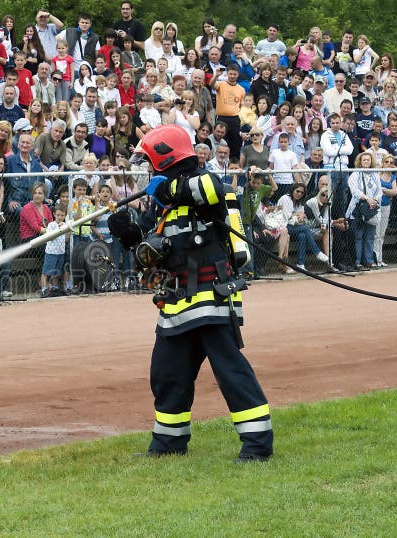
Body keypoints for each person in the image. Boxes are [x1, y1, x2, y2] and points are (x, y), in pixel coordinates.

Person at [118, 124, 273, 461]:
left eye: (150, 162)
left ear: (165, 159)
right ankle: (168, 443)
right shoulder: (166, 207)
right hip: (175, 304)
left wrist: (167, 188)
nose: (147, 170)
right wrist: (130, 237)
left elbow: (212, 188)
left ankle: (257, 444)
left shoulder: (203, 186)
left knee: (230, 372)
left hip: (211, 298)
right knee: (166, 373)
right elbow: (152, 257)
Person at [346, 152, 382, 269]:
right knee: (358, 237)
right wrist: (367, 199)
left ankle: (369, 261)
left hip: (371, 210)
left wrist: (375, 200)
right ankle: (357, 261)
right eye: (364, 160)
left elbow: (379, 190)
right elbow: (354, 191)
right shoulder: (355, 175)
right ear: (360, 162)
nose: (366, 161)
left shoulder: (375, 174)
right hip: (358, 210)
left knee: (370, 236)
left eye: (368, 160)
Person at [374, 155, 397, 267]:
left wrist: (384, 190)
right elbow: (375, 189)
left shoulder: (393, 177)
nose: (388, 163)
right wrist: (387, 191)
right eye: (386, 161)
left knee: (382, 233)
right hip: (376, 206)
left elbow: (394, 192)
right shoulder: (377, 175)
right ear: (382, 163)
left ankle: (380, 258)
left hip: (386, 206)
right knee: (376, 233)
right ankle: (375, 259)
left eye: (391, 162)